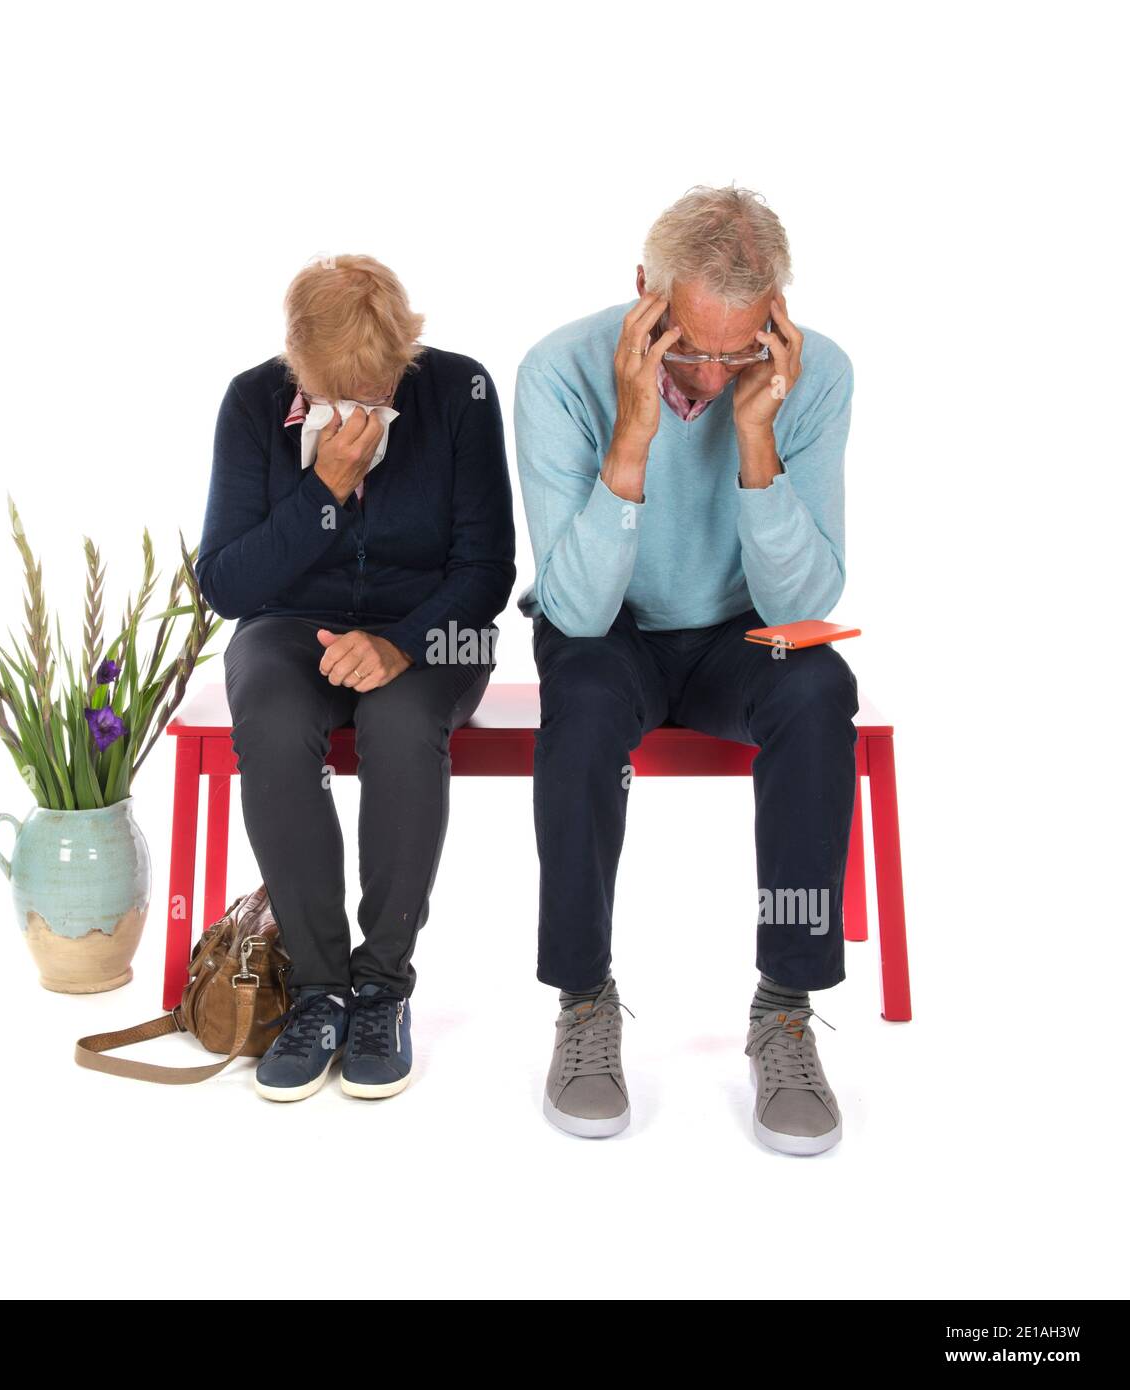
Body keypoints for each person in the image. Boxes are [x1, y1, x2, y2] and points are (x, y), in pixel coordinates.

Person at [514, 187, 858, 1152]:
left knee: (820, 683)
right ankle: (584, 1002)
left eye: (740, 347)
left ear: (776, 319)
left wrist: (757, 438)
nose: (710, 374)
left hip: (736, 632)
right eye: (689, 345)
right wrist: (632, 433)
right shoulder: (557, 371)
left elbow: (801, 608)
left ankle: (784, 1009)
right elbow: (576, 610)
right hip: (607, 625)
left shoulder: (814, 376)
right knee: (579, 705)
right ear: (643, 294)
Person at [195, 255, 516, 1103]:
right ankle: (318, 990)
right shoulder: (251, 402)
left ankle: (381, 990)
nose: (363, 412)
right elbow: (226, 585)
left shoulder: (460, 392)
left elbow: (487, 571)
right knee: (263, 698)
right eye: (340, 392)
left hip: (435, 632)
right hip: (293, 627)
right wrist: (324, 489)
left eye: (378, 391)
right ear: (296, 365)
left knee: (403, 725)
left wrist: (403, 645)